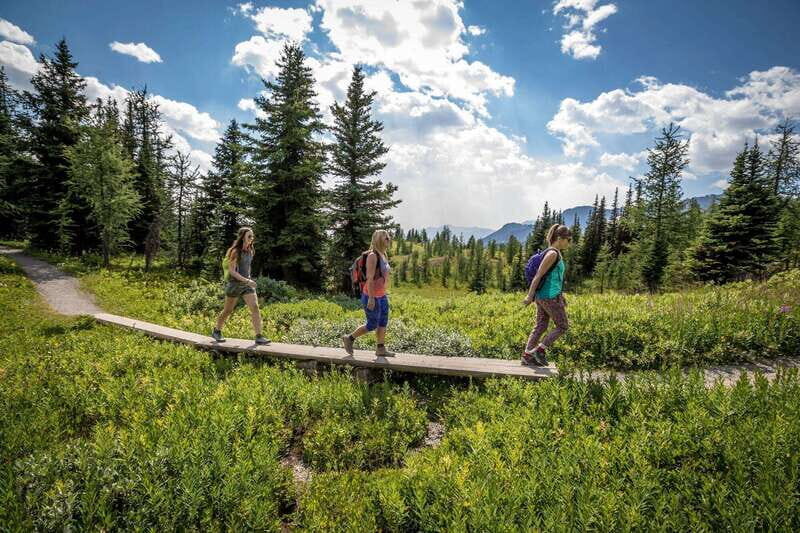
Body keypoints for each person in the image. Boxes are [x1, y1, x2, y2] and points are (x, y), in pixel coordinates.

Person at [521, 224, 572, 366]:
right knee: (562, 326)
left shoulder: (553, 253)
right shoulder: (552, 254)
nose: (569, 242)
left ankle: (527, 355)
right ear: (560, 238)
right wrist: (529, 296)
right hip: (549, 297)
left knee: (541, 326)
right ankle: (539, 350)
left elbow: (554, 278)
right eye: (569, 239)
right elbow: (538, 276)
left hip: (545, 296)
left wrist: (561, 295)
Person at [211, 227, 270, 345]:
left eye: (252, 236)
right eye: (249, 236)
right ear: (242, 237)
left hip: (246, 284)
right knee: (228, 310)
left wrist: (249, 279)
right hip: (234, 284)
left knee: (255, 307)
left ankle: (259, 336)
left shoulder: (251, 250)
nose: (251, 238)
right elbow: (232, 271)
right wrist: (247, 281)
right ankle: (217, 331)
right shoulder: (235, 251)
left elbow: (247, 267)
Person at [342, 229, 394, 357]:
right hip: (371, 296)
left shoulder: (384, 254)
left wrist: (385, 291)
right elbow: (369, 279)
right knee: (372, 324)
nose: (389, 239)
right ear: (378, 240)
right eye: (386, 238)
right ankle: (349, 338)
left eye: (388, 237)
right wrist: (371, 298)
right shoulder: (373, 256)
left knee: (383, 322)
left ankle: (380, 348)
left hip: (382, 295)